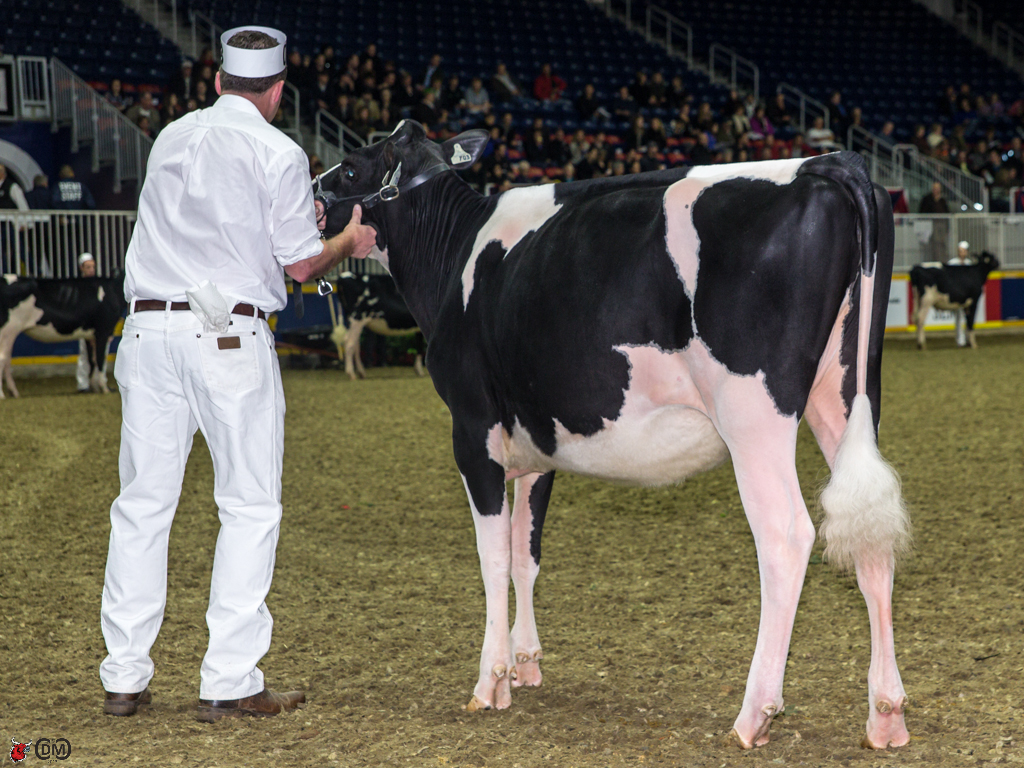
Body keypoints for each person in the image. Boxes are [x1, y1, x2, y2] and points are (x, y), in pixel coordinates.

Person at [98, 26, 378, 722]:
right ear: (277, 91)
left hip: (147, 330)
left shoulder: (171, 137)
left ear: (218, 80)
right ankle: (227, 678)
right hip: (226, 335)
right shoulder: (277, 149)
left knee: (142, 504)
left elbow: (202, 225)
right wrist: (350, 239)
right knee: (248, 505)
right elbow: (301, 265)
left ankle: (124, 675)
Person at [76, 252, 98, 394]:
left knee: (98, 354)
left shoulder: (98, 284)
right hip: (85, 325)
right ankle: (82, 384)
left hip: (96, 325)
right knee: (84, 353)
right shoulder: (79, 286)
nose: (91, 270)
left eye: (92, 267)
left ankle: (97, 382)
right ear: (81, 268)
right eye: (88, 267)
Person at [919, 182, 949, 263]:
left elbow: (947, 212)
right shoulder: (927, 199)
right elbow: (922, 211)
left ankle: (942, 261)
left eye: (938, 188)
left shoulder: (942, 200)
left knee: (942, 243)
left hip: (942, 224)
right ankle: (933, 261)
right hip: (931, 224)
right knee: (933, 244)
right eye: (935, 188)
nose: (936, 190)